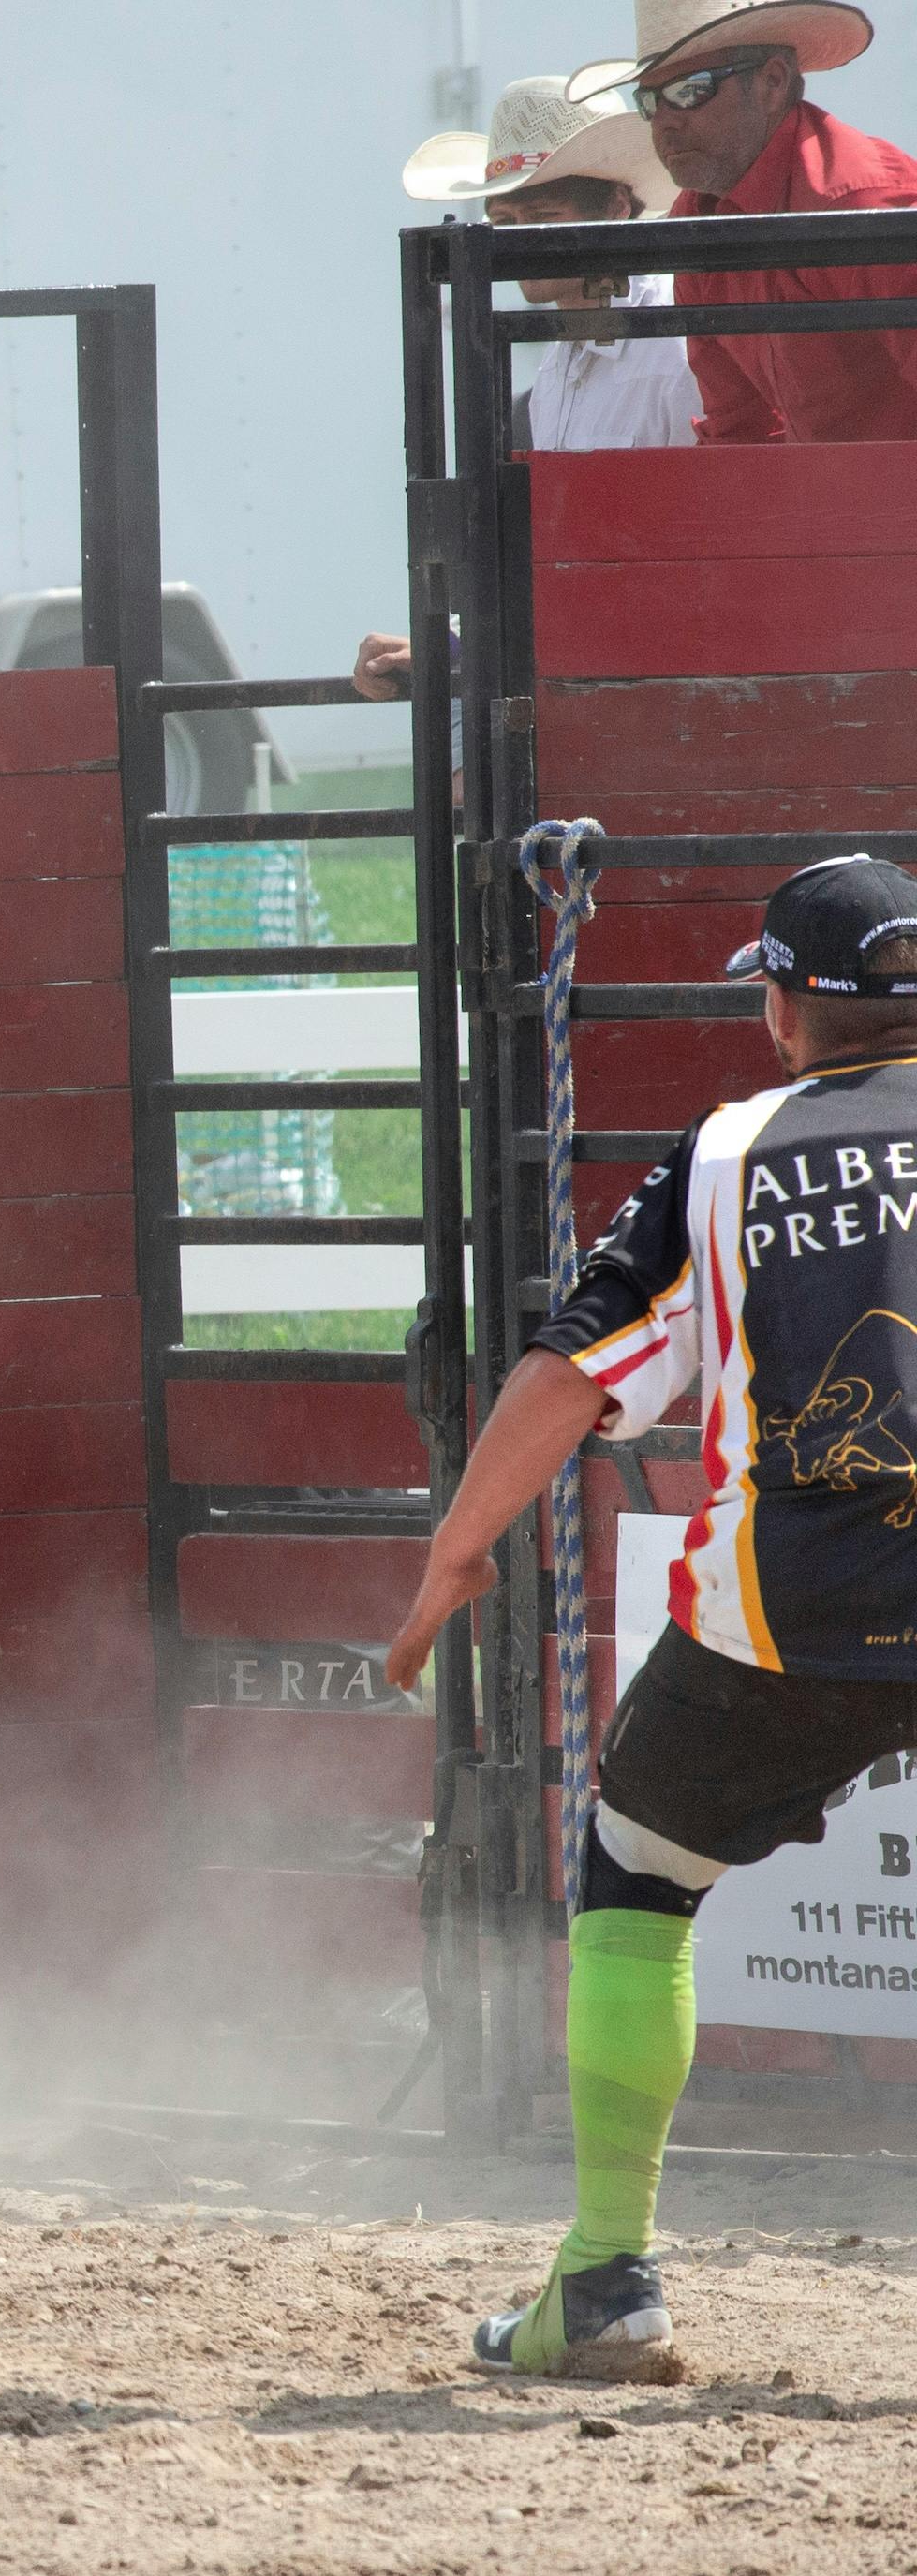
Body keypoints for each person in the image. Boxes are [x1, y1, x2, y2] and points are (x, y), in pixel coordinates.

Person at [382, 853, 917, 2376]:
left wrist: (454, 1553)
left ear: (784, 1002)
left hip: (782, 1622)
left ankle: (606, 2281)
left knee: (637, 1872)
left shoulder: (729, 1154)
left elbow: (566, 1377)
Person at [356, 75, 702, 701]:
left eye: (542, 217)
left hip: (660, 679)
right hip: (600, 678)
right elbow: (555, 562)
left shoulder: (676, 350)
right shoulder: (560, 363)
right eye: (504, 220)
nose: (517, 239)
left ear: (618, 209)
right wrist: (458, 643)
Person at [629, 0, 917, 442]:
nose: (664, 122)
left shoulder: (859, 203)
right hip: (830, 503)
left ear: (772, 82)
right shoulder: (694, 218)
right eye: (649, 101)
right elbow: (737, 431)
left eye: (689, 90)